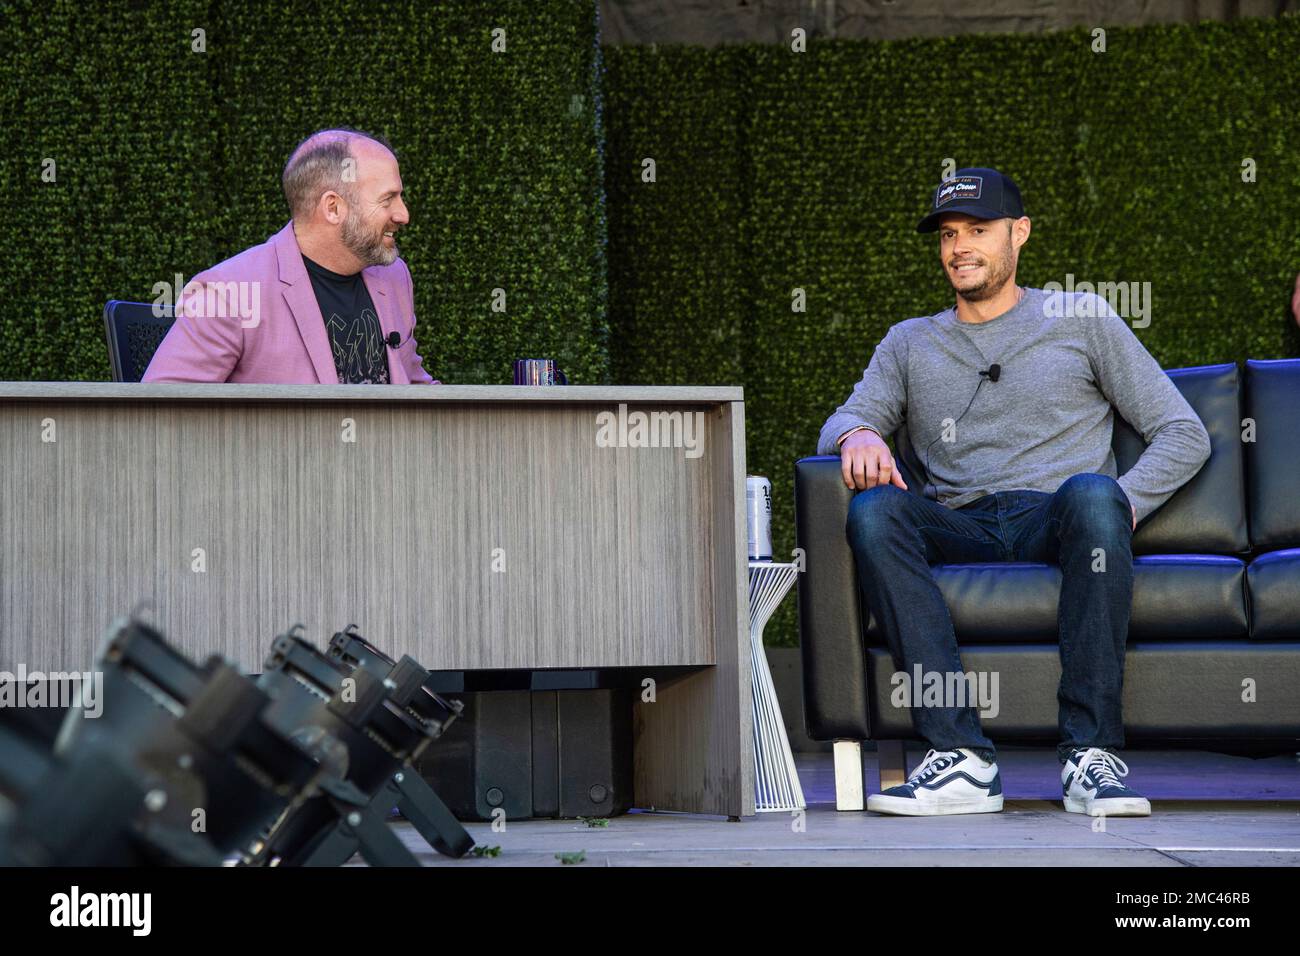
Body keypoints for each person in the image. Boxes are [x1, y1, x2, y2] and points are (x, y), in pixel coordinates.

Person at [819, 167, 1211, 817]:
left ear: (1019, 233)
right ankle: (963, 761)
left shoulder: (1081, 320)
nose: (959, 247)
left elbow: (1182, 431)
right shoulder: (910, 341)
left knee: (1093, 493)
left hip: (1056, 515)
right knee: (875, 510)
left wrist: (1123, 503)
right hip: (956, 519)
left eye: (978, 229)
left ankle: (1090, 758)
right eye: (948, 234)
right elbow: (843, 415)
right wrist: (857, 433)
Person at [144, 127, 436, 385]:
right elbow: (161, 413)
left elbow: (413, 388)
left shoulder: (394, 276)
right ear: (333, 208)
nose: (403, 214)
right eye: (388, 199)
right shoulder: (229, 294)